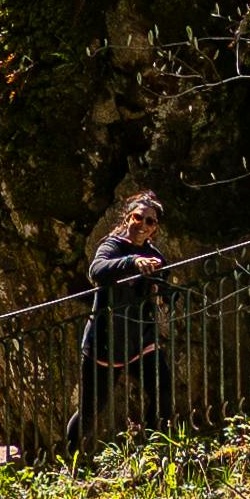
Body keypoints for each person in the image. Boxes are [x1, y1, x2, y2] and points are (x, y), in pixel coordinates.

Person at [69, 185, 171, 455]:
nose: (142, 225)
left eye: (149, 222)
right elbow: (96, 271)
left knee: (162, 390)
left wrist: (164, 291)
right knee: (90, 411)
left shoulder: (154, 255)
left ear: (154, 228)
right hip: (106, 342)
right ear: (127, 218)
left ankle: (155, 450)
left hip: (140, 339)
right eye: (138, 217)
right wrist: (132, 262)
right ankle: (70, 459)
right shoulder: (112, 246)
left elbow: (165, 282)